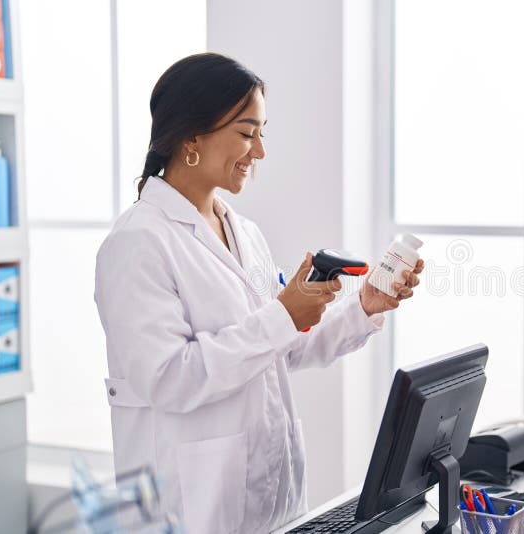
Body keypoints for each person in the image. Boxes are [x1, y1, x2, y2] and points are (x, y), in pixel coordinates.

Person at [94, 53, 423, 534]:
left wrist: (364, 305)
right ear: (191, 136)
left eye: (261, 134)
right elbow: (167, 379)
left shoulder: (243, 232)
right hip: (190, 508)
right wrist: (283, 315)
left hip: (271, 497)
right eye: (247, 134)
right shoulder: (137, 244)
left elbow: (281, 349)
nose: (260, 152)